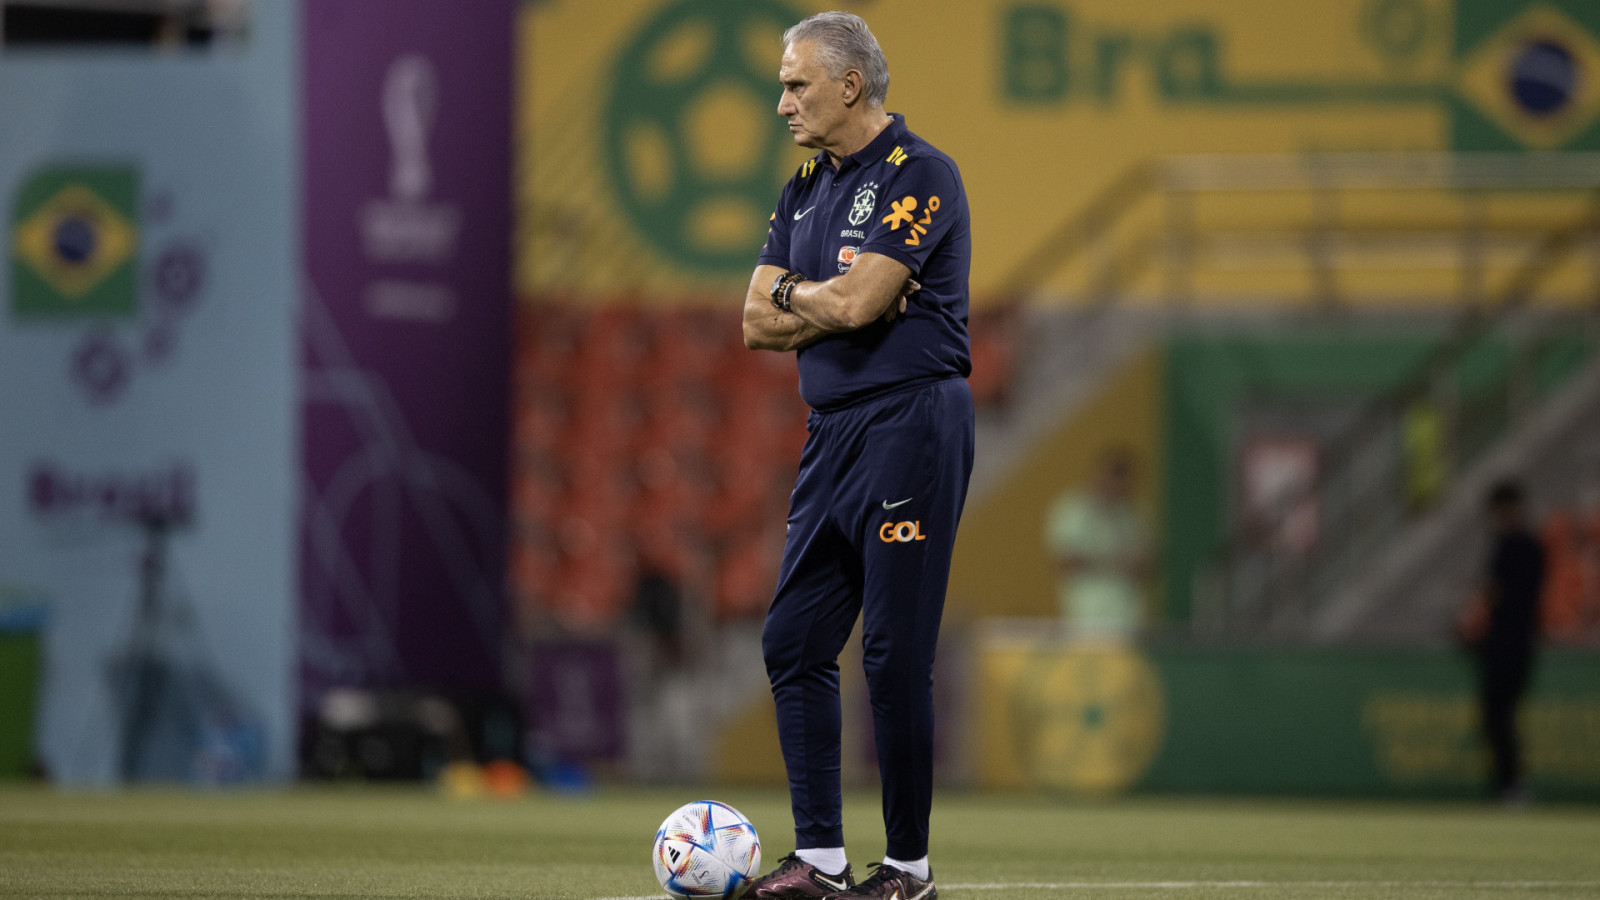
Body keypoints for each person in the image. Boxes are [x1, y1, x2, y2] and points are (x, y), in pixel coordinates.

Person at [740, 11, 973, 900]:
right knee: (792, 638)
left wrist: (816, 297)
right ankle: (823, 863)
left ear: (849, 84)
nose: (782, 103)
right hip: (831, 429)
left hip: (912, 422)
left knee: (891, 654)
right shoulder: (804, 188)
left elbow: (861, 304)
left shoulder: (925, 174)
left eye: (796, 84)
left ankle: (908, 871)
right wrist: (821, 295)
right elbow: (755, 322)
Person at [1459, 480, 1545, 804]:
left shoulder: (1511, 544)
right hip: (1520, 642)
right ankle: (1509, 784)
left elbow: (1495, 591)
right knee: (1502, 717)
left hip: (1506, 643)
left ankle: (1509, 785)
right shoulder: (1531, 545)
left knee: (1497, 717)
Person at [1044, 449, 1150, 643]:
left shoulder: (1134, 514)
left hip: (1128, 617)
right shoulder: (1071, 510)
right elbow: (1065, 562)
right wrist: (1117, 561)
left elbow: (1146, 565)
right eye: (1114, 480)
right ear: (1099, 476)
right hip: (1085, 618)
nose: (1119, 488)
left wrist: (1093, 560)